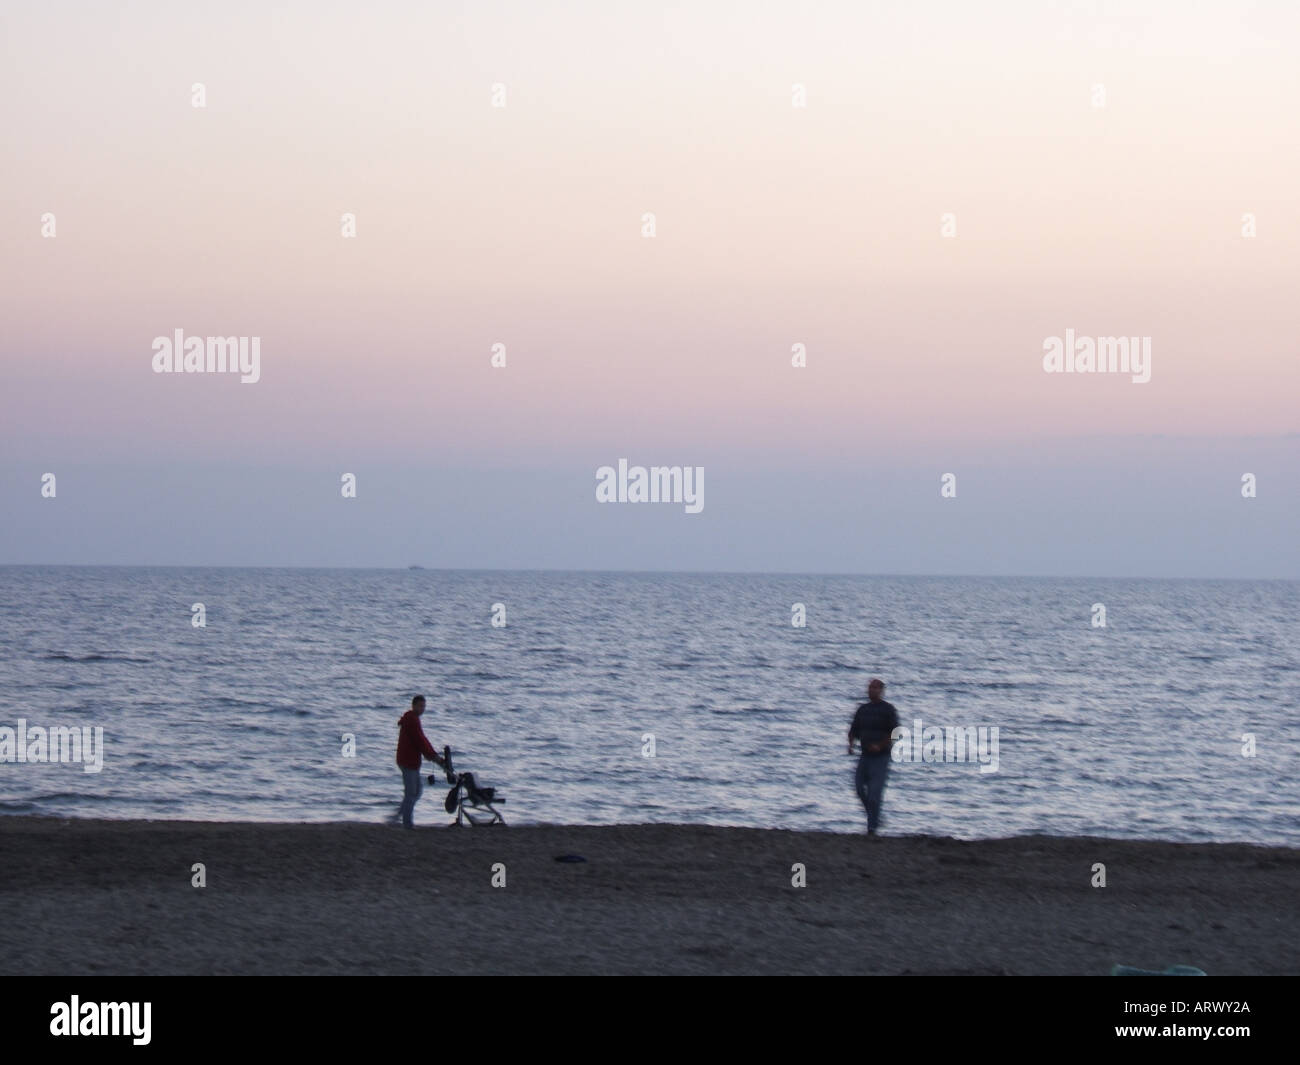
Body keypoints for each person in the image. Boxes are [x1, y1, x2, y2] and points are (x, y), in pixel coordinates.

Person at [847, 677, 900, 836]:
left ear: (882, 691)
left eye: (875, 688)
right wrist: (850, 744)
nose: (872, 691)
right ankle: (875, 818)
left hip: (881, 758)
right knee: (859, 788)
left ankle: (872, 829)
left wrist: (881, 745)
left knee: (874, 794)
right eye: (870, 688)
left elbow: (896, 733)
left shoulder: (888, 710)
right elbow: (853, 730)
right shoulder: (863, 710)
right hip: (865, 756)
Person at [395, 695, 446, 829]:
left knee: (416, 792)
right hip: (407, 761)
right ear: (414, 705)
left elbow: (422, 740)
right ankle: (407, 823)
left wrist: (433, 755)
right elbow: (420, 741)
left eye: (424, 706)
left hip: (411, 761)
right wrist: (434, 756)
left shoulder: (414, 719)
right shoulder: (412, 720)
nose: (422, 709)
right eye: (420, 706)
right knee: (412, 793)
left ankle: (397, 816)